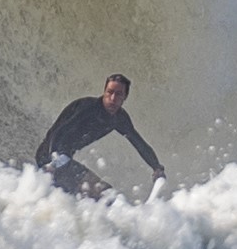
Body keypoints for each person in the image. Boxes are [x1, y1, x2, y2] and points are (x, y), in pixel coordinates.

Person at [36, 73, 165, 198]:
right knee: (105, 194)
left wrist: (156, 167)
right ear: (104, 92)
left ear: (125, 97)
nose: (113, 98)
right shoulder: (88, 107)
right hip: (50, 158)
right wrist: (54, 161)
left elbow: (139, 143)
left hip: (64, 161)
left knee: (98, 197)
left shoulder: (119, 118)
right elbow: (58, 132)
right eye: (110, 92)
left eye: (118, 94)